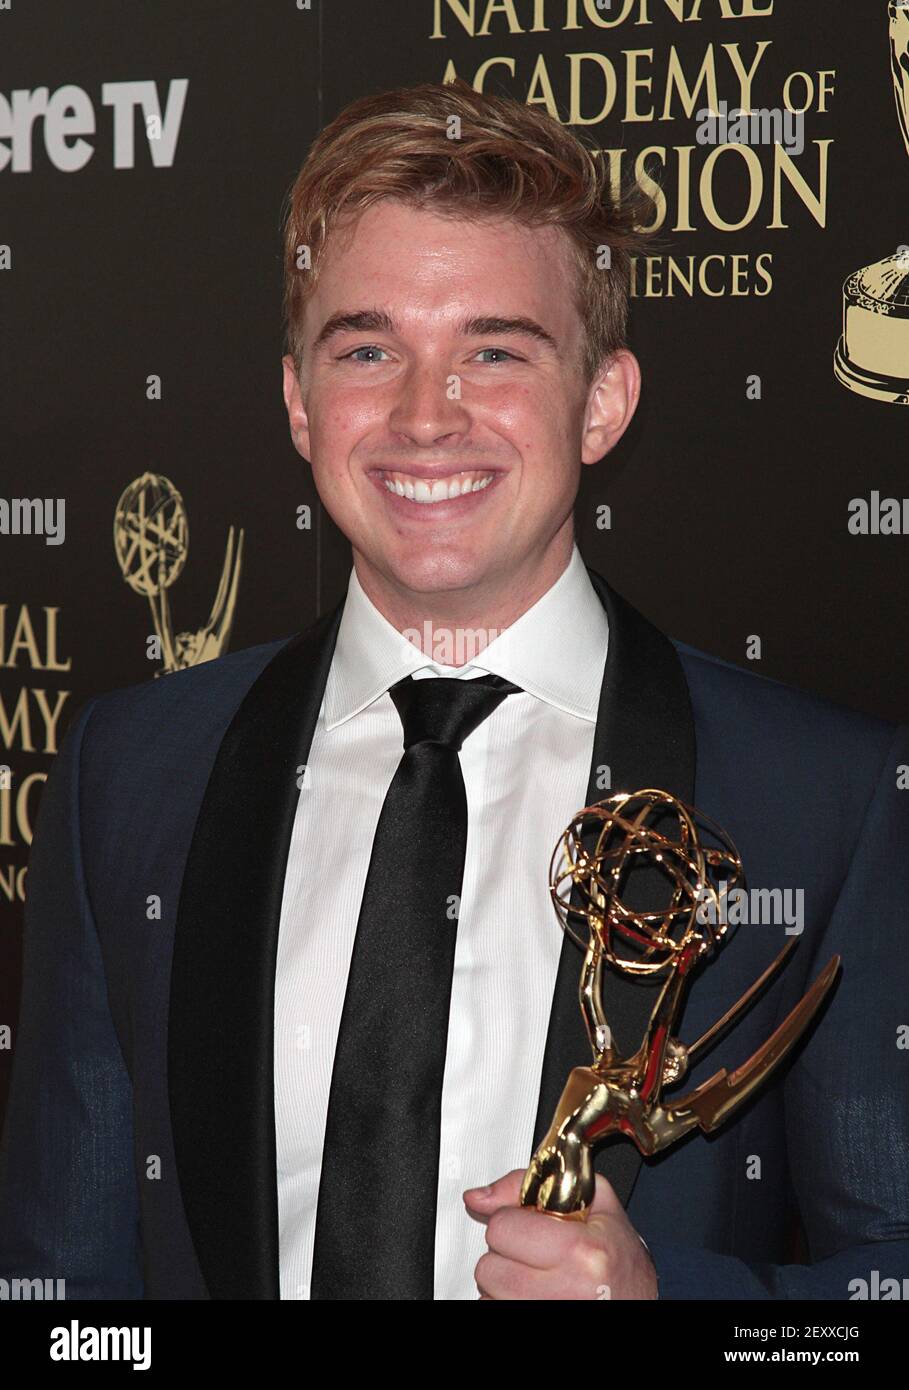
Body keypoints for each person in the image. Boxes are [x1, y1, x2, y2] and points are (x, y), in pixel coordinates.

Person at [1, 78, 907, 1302]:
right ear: (298, 404)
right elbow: (67, 1295)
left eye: (493, 350)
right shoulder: (129, 771)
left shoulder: (828, 800)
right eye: (369, 349)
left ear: (602, 403)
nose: (428, 417)